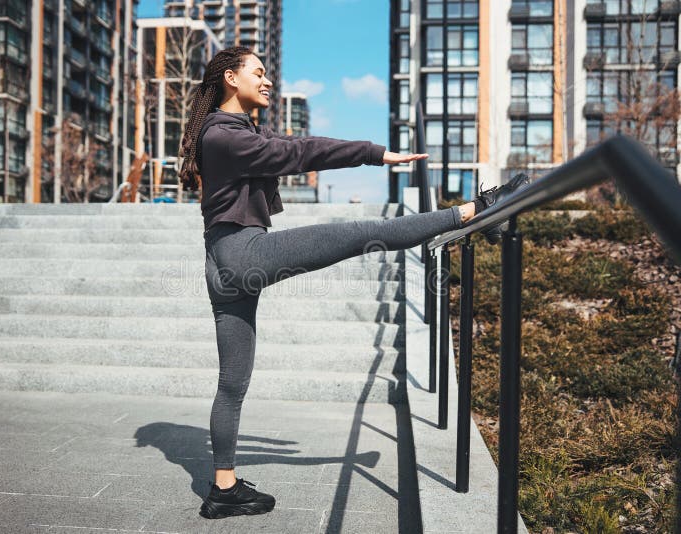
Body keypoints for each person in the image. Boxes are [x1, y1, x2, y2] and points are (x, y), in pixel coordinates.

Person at [178, 46, 529, 520]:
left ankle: (223, 490)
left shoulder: (230, 131)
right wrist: (372, 154)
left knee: (232, 382)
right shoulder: (225, 135)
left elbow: (287, 148)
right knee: (364, 233)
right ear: (228, 77)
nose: (267, 81)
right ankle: (474, 210)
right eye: (257, 73)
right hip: (243, 254)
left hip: (223, 260)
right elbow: (299, 151)